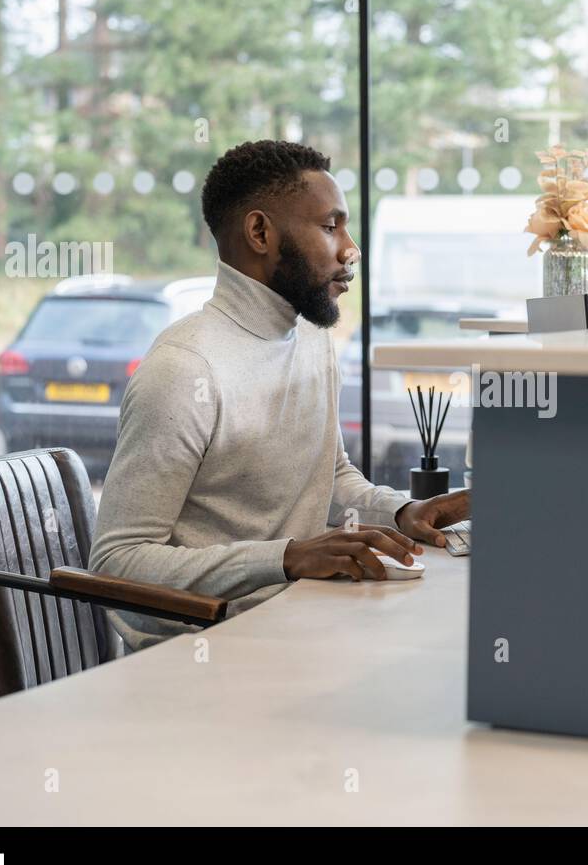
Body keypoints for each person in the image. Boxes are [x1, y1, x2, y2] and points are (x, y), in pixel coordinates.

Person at [90, 140, 469, 650]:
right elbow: (118, 562)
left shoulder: (312, 337)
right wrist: (285, 557)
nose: (351, 248)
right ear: (260, 232)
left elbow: (329, 480)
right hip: (203, 652)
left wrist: (404, 512)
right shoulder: (184, 370)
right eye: (331, 227)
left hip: (300, 623)